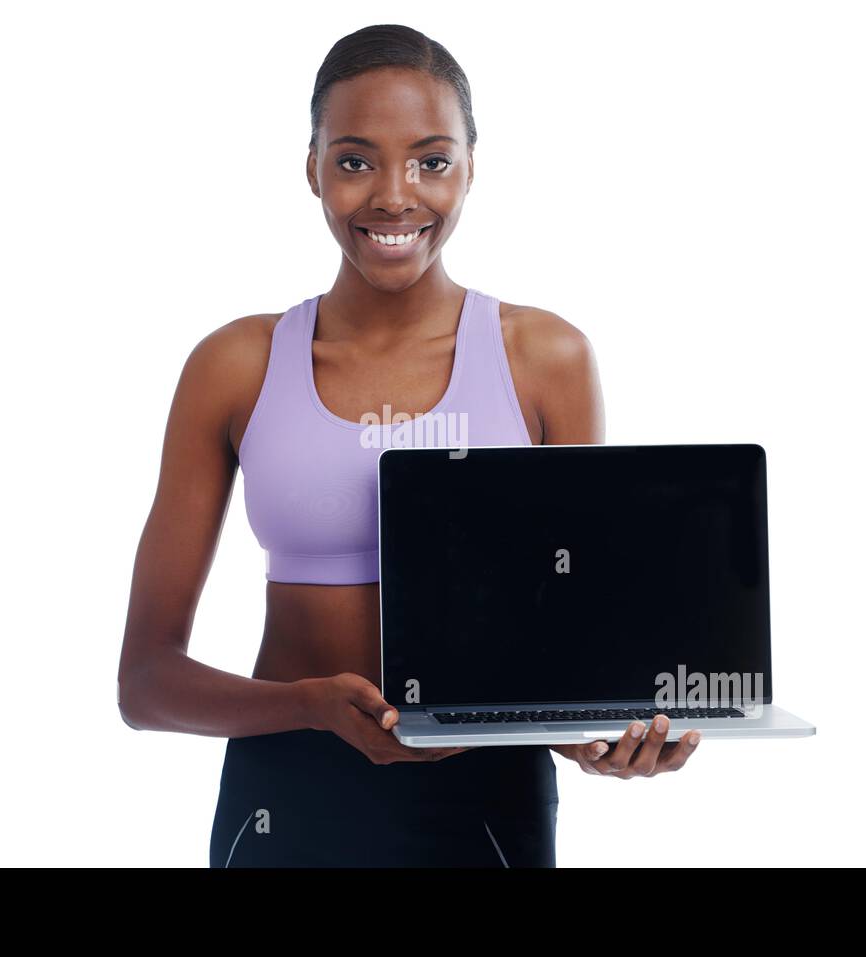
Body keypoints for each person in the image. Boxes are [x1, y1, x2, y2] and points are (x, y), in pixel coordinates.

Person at [116, 23, 702, 868]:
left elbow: (575, 643)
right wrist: (312, 707)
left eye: (431, 159)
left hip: (488, 805)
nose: (395, 195)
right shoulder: (235, 366)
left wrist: (599, 732)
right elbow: (145, 684)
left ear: (472, 167)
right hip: (288, 796)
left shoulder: (544, 359)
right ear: (311, 165)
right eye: (355, 160)